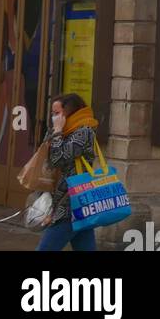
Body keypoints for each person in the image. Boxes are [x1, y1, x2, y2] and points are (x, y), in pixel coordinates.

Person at [37, 93, 99, 252]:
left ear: (70, 113)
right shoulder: (60, 131)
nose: (53, 118)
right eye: (52, 114)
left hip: (70, 204)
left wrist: (57, 131)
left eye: (57, 113)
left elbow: (59, 159)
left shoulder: (84, 132)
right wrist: (54, 132)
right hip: (72, 203)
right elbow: (46, 159)